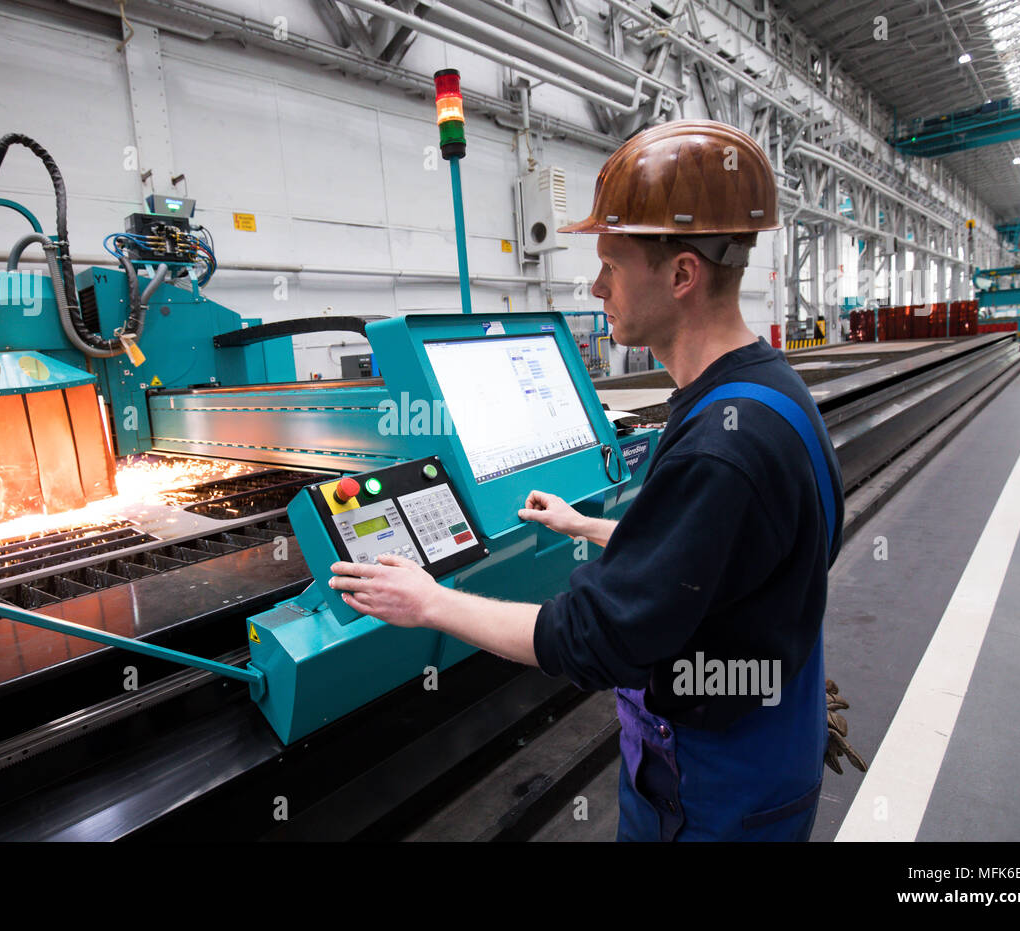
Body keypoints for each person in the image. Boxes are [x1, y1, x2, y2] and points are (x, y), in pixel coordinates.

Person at [328, 120, 844, 841]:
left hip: (715, 789)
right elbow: (727, 554)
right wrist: (590, 526)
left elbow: (589, 639)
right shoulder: (772, 394)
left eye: (612, 262)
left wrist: (431, 601)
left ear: (682, 274)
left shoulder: (720, 450)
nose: (596, 284)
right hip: (772, 740)